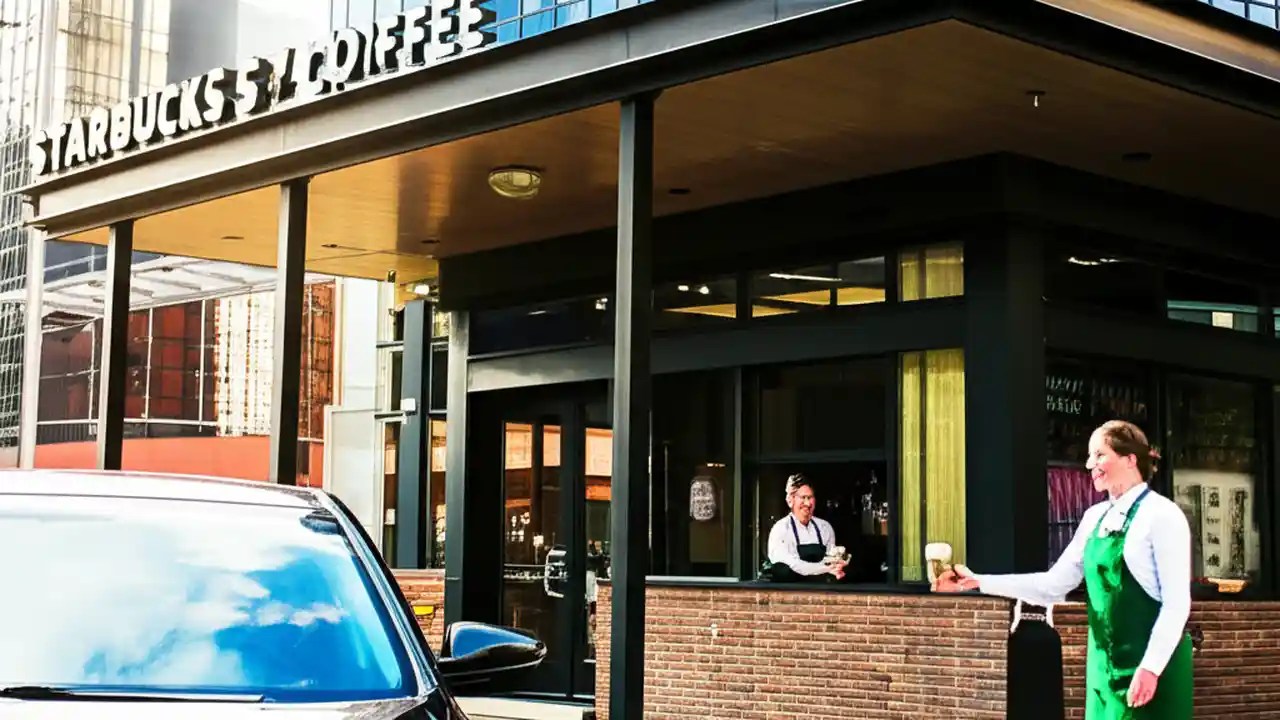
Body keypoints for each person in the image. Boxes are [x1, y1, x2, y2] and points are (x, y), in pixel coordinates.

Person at [936, 420, 1192, 718]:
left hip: (1152, 671)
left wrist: (1151, 667)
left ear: (1130, 459)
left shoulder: (1162, 515)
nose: (1089, 464)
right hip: (1102, 671)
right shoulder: (1094, 517)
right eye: (1089, 456)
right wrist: (978, 581)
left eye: (1099, 455)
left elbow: (1176, 604)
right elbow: (1053, 584)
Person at [766, 474, 847, 581]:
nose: (808, 503)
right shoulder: (780, 529)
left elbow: (830, 561)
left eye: (810, 497)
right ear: (790, 500)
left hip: (821, 590)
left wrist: (837, 567)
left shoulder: (825, 528)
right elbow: (793, 565)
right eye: (803, 497)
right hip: (791, 591)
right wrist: (825, 569)